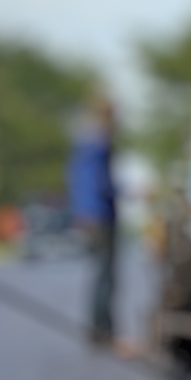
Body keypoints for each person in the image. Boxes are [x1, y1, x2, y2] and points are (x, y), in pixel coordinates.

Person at [67, 92, 121, 348]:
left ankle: (99, 329)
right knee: (105, 275)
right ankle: (103, 331)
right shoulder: (99, 141)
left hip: (88, 213)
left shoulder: (83, 140)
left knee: (100, 274)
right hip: (100, 214)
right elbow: (101, 182)